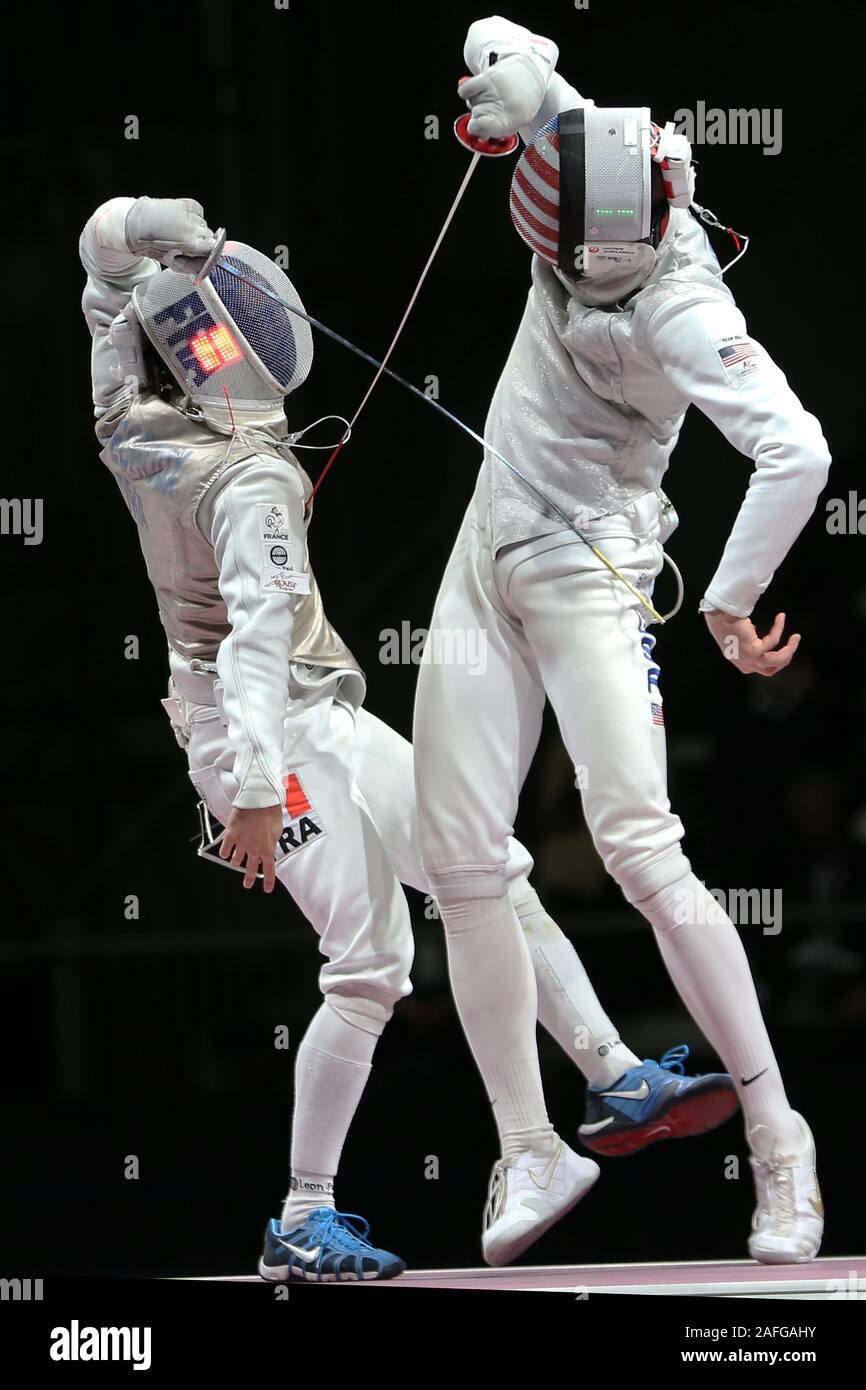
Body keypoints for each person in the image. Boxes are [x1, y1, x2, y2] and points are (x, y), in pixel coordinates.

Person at [80, 194, 736, 1279]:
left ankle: (613, 1075)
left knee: (482, 869)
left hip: (314, 716)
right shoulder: (252, 482)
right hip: (256, 734)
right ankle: (300, 1216)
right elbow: (248, 641)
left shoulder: (124, 420)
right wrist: (251, 789)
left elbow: (103, 272)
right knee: (371, 964)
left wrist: (153, 226)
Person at [413, 14, 829, 1267]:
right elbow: (521, 58)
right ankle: (530, 1143)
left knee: (639, 847)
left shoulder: (684, 308)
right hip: (482, 557)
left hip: (587, 569)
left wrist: (721, 595)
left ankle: (776, 1137)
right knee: (454, 856)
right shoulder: (587, 150)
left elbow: (796, 449)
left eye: (597, 267)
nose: (577, 279)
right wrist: (502, 76)